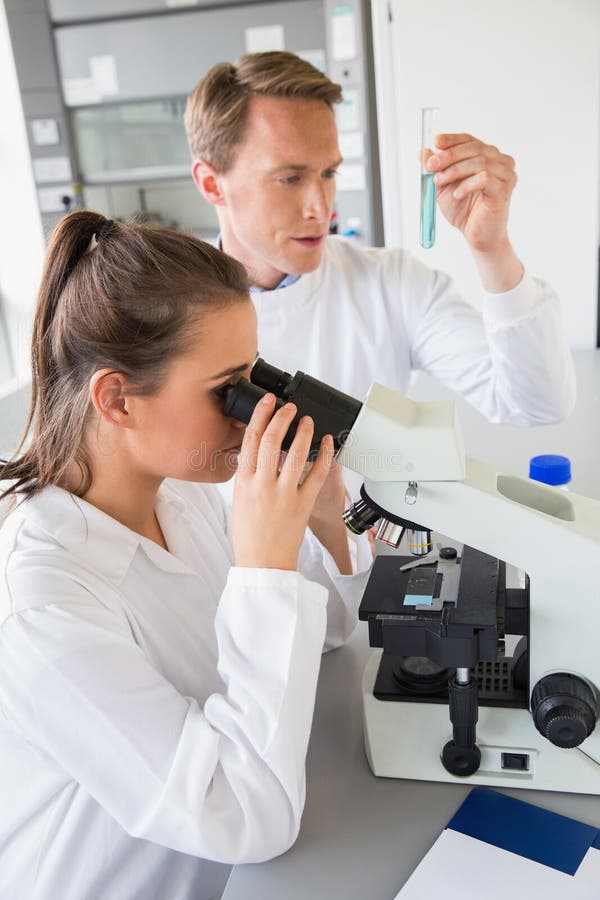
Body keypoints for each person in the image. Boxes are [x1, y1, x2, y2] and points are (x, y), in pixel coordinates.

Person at [0, 212, 371, 900]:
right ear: (118, 400)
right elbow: (246, 817)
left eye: (255, 376)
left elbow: (322, 634)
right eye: (227, 388)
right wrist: (264, 569)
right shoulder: (41, 605)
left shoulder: (180, 492)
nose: (251, 411)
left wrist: (322, 518)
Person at [185, 51, 576, 436]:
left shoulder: (391, 283)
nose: (322, 208)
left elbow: (537, 404)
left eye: (329, 173)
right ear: (211, 183)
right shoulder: (168, 310)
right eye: (290, 178)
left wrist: (492, 247)